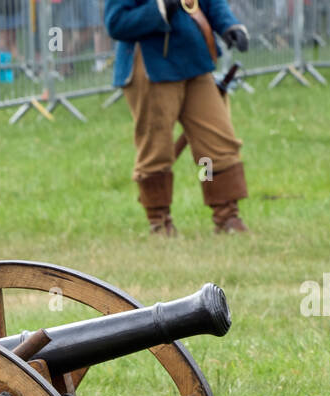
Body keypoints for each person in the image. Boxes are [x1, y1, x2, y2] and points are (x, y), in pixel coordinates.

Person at [105, 0, 251, 235]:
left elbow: (210, 3)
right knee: (156, 149)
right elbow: (116, 23)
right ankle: (160, 221)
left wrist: (229, 26)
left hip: (194, 60)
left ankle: (226, 216)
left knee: (216, 143)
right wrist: (160, 9)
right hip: (152, 65)